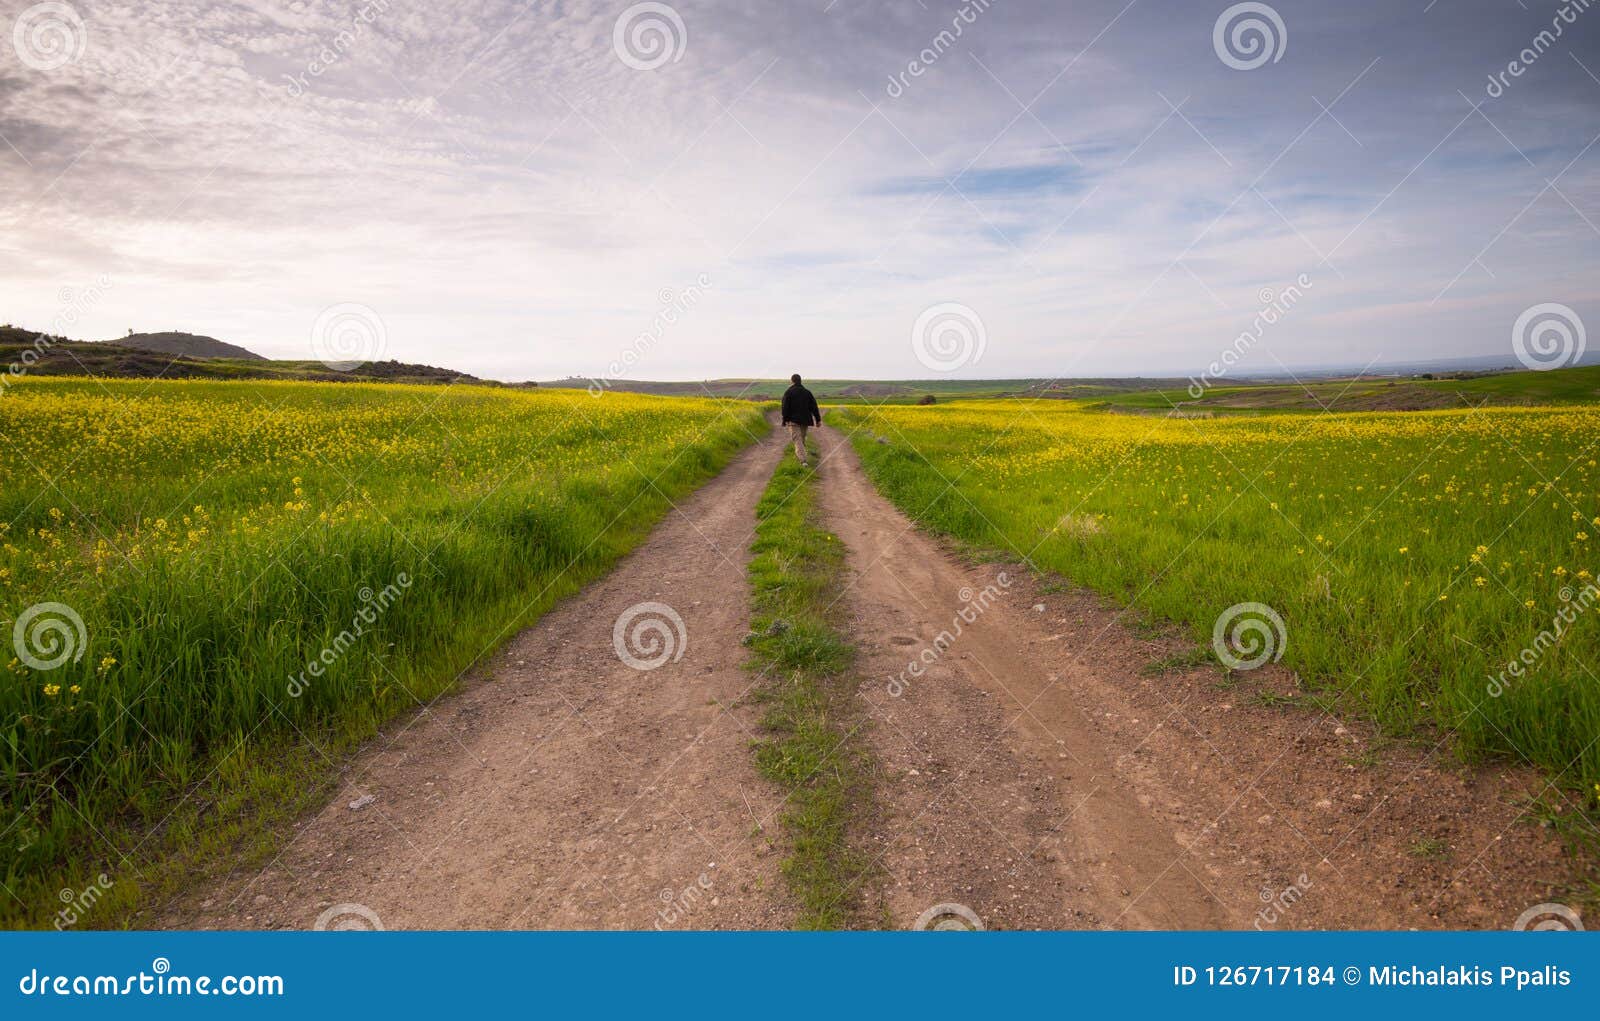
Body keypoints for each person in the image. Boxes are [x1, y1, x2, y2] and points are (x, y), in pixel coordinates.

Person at [780, 373, 822, 466]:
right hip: (805, 420)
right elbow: (814, 407)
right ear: (800, 381)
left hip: (793, 421)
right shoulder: (807, 392)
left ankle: (803, 461)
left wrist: (784, 420)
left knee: (798, 440)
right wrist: (818, 419)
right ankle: (802, 458)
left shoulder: (788, 392)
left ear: (792, 381)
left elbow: (785, 407)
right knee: (801, 439)